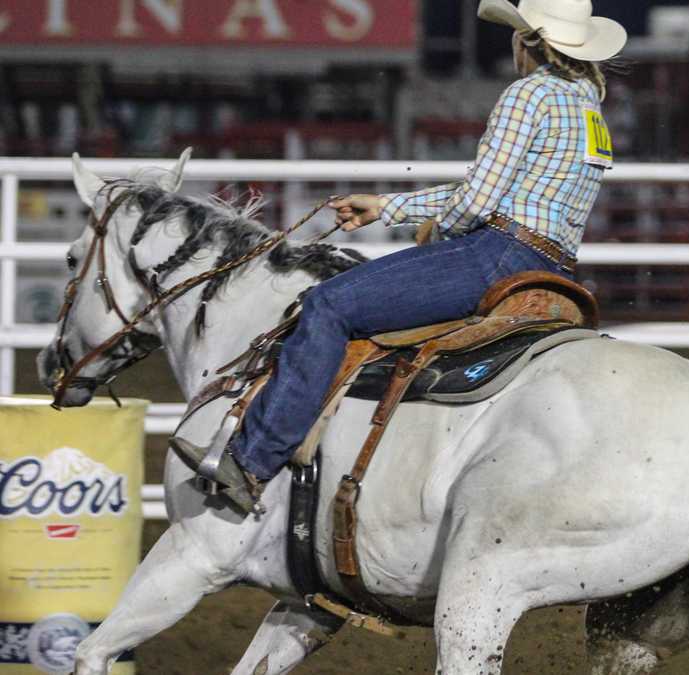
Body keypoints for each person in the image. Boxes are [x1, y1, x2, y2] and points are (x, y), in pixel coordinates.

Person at [172, 0, 627, 512]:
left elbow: (477, 200)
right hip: (552, 266)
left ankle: (252, 459)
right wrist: (387, 208)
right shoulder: (587, 103)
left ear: (528, 41)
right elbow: (497, 189)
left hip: (499, 252)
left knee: (328, 305)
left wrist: (441, 233)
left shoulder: (528, 93)